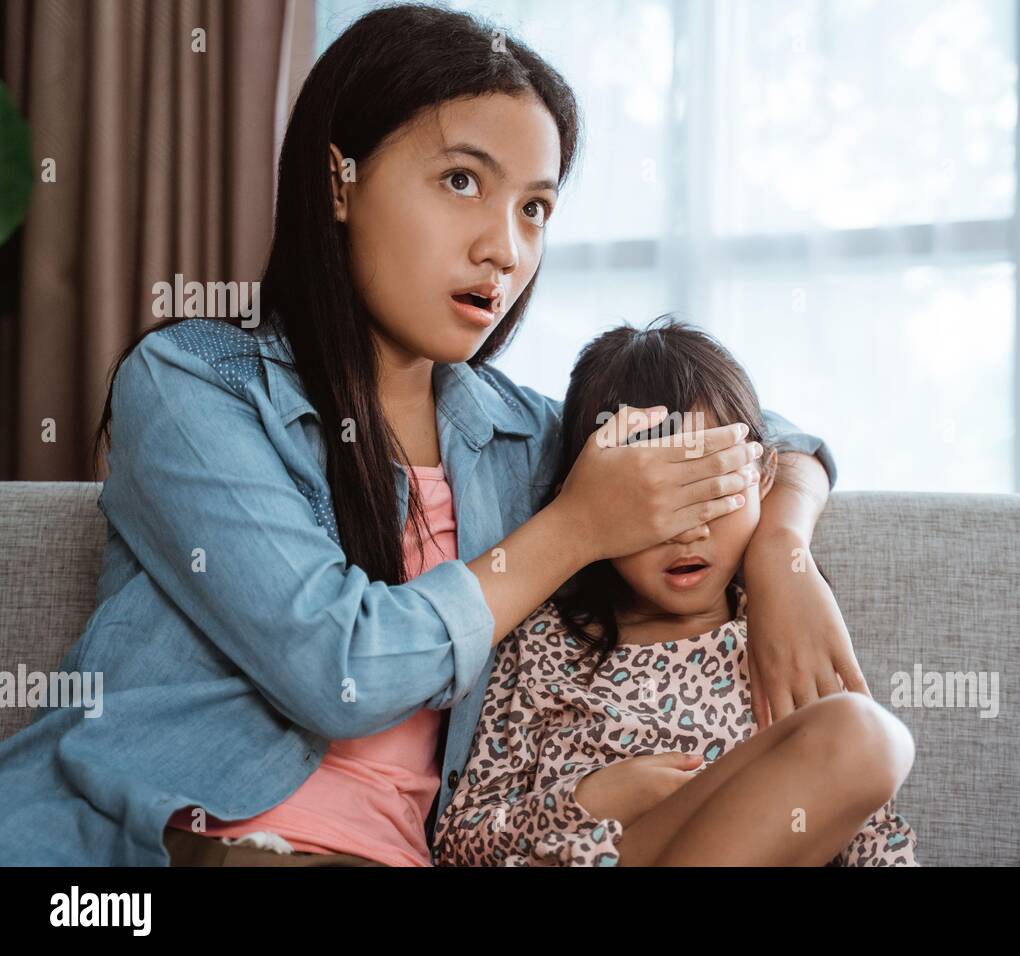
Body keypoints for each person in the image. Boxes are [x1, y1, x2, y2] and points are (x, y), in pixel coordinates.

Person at [0, 5, 859, 866]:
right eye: (461, 181)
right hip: (157, 850)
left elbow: (761, 432)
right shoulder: (195, 385)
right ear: (341, 178)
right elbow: (339, 669)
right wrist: (577, 528)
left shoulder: (521, 437)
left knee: (855, 745)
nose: (504, 249)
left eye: (535, 208)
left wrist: (783, 555)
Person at [433, 318, 918, 866]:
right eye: (655, 502)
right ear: (588, 494)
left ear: (763, 479)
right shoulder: (545, 643)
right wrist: (591, 799)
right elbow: (457, 840)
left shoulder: (781, 640)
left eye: (712, 490)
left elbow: (864, 837)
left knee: (868, 737)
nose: (689, 531)